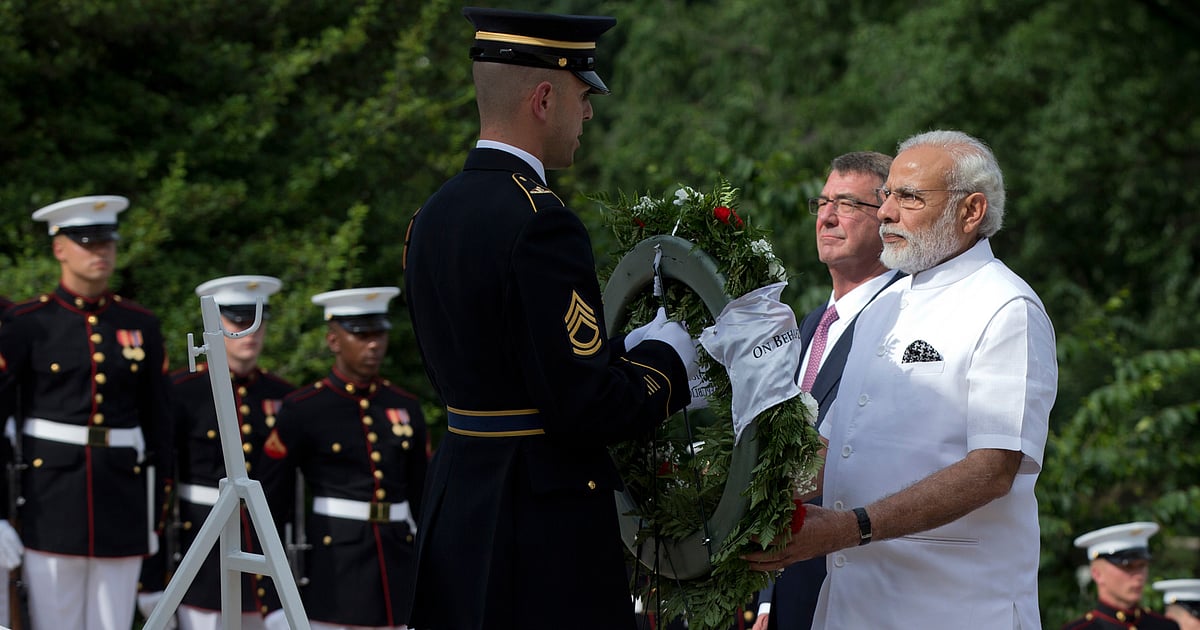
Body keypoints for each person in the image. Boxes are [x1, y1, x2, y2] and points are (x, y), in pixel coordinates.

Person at [401, 7, 698, 630]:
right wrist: (668, 361)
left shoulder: (432, 214)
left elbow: (516, 364)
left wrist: (618, 352)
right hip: (536, 524)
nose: (587, 114)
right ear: (543, 99)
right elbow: (583, 407)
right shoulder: (541, 221)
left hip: (458, 496)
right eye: (582, 97)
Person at [744, 130, 1058, 630]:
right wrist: (733, 493)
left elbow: (993, 469)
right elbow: (831, 450)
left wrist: (850, 528)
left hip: (954, 610)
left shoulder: (1005, 306)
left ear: (971, 211)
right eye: (887, 194)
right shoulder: (882, 307)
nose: (886, 212)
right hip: (851, 609)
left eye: (909, 197)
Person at [0, 195, 171, 630]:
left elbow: (159, 427)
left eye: (107, 242)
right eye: (87, 243)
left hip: (122, 498)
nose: (100, 252)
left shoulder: (140, 324)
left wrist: (156, 520)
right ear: (59, 248)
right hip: (50, 501)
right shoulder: (29, 322)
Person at [752, 151, 900, 630]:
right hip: (793, 587)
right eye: (823, 202)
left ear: (888, 217)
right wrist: (767, 600)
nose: (827, 217)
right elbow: (783, 456)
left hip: (864, 586)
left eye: (848, 204)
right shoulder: (812, 323)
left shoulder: (905, 319)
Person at [257, 286, 427, 630]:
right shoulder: (305, 408)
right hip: (332, 573)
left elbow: (422, 497)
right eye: (361, 335)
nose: (374, 345)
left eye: (379, 334)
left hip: (397, 567)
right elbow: (269, 505)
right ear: (333, 340)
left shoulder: (404, 405)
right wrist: (273, 597)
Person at [137, 275, 296, 630]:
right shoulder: (182, 392)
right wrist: (151, 576)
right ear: (215, 323)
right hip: (201, 556)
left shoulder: (284, 396)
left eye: (257, 322)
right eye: (237, 321)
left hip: (268, 558)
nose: (249, 333)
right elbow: (162, 482)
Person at [1062, 522, 1179, 629]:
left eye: (1142, 565)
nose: (1139, 576)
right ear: (1097, 574)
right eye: (1128, 567)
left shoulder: (1165, 627)